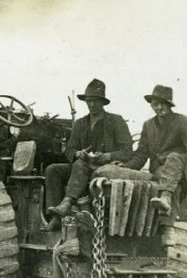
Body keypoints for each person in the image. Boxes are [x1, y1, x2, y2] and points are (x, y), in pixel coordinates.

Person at [44, 79, 133, 228]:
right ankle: (55, 218)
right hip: (82, 169)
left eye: (96, 101)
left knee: (79, 165)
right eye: (89, 101)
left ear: (103, 102)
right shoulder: (80, 124)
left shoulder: (116, 121)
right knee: (53, 170)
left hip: (105, 169)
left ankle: (67, 202)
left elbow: (128, 151)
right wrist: (78, 153)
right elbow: (69, 150)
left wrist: (108, 156)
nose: (92, 105)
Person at [123, 84, 187, 216]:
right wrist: (126, 167)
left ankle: (166, 202)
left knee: (173, 158)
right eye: (155, 104)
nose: (159, 107)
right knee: (166, 176)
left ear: (169, 105)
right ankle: (164, 218)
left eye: (163, 104)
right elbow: (141, 155)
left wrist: (185, 179)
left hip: (185, 170)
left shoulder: (184, 122)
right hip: (161, 170)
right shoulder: (148, 125)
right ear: (151, 105)